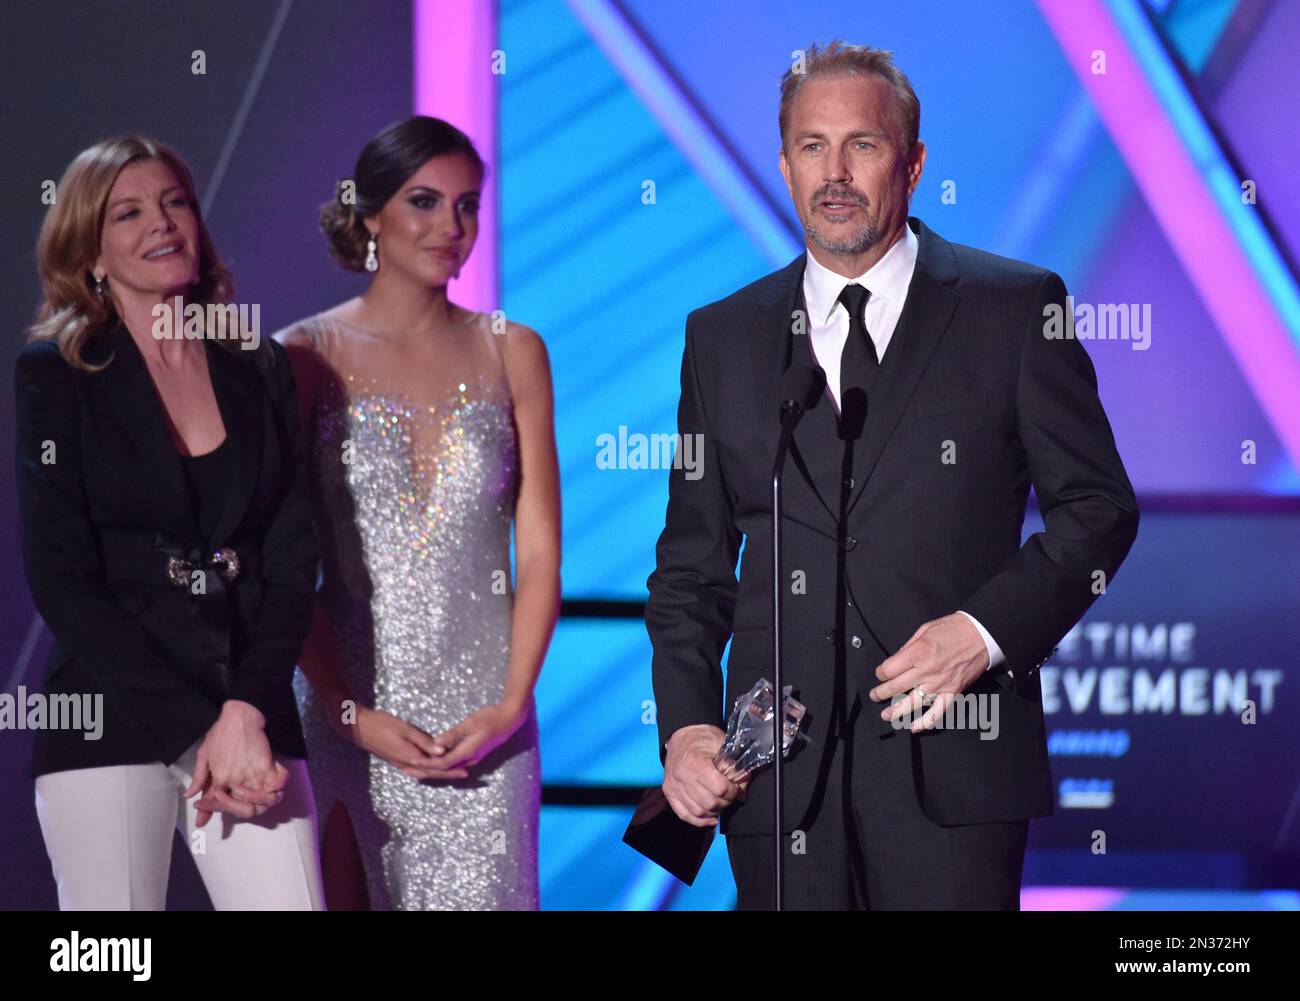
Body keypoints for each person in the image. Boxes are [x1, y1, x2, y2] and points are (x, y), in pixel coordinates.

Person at [647, 42, 1140, 910]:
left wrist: (982, 631)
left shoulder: (1014, 308)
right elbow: (691, 569)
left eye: (862, 146)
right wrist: (687, 728)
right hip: (777, 785)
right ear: (784, 162)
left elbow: (1097, 509)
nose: (834, 173)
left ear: (911, 163)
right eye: (811, 146)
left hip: (953, 776)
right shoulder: (721, 337)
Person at [15, 135, 324, 910]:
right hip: (109, 714)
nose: (161, 223)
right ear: (91, 252)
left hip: (251, 719)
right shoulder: (56, 374)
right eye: (129, 212)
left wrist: (244, 712)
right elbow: (63, 578)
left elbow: (291, 562)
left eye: (174, 202)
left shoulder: (257, 365)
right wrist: (198, 735)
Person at [275, 116, 560, 910]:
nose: (451, 227)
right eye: (425, 202)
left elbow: (538, 553)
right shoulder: (302, 355)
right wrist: (351, 715)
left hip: (491, 729)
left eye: (467, 205)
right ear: (369, 214)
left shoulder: (515, 349)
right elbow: (282, 567)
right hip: (354, 716)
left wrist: (509, 704)